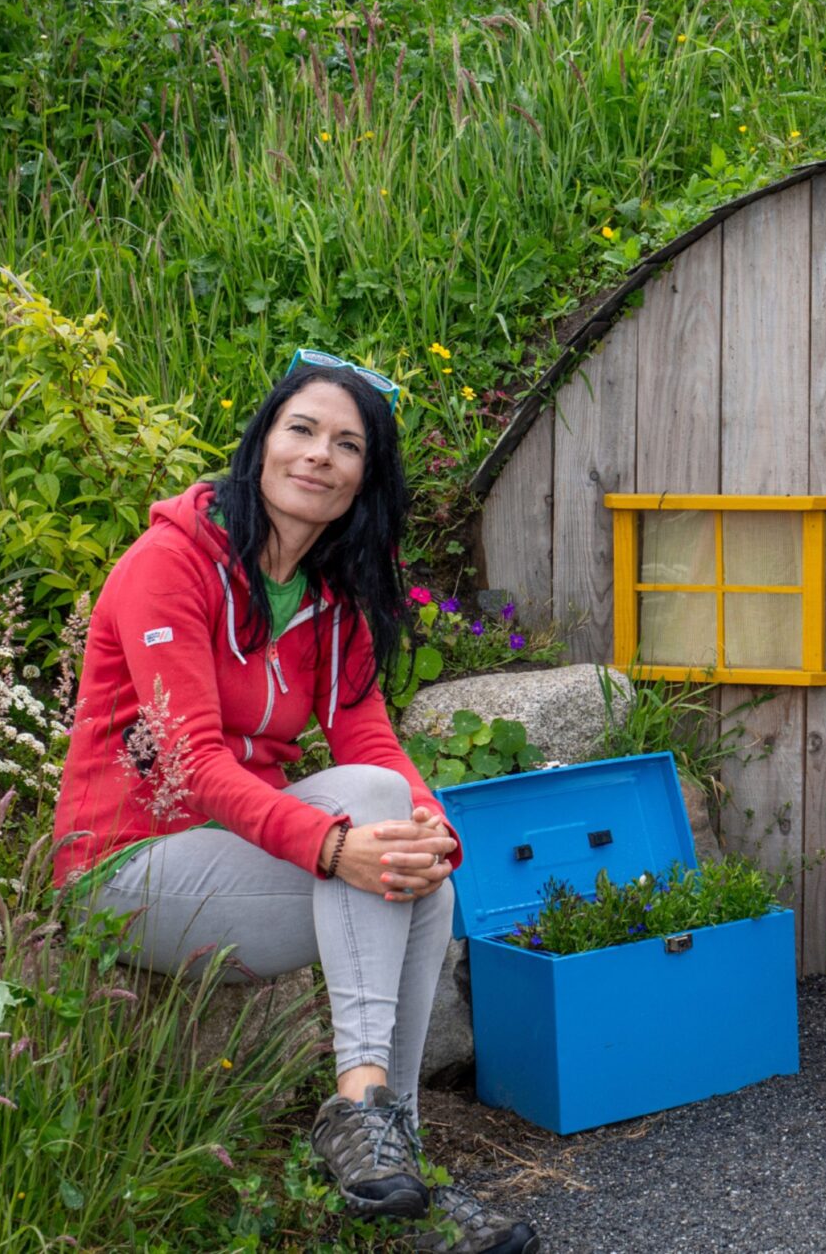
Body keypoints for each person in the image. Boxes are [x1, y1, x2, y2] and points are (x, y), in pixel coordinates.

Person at [51, 353, 539, 1254]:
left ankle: (390, 1168)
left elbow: (365, 732)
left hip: (238, 863)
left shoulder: (333, 588)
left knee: (413, 853)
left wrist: (435, 825)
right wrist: (328, 846)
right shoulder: (171, 563)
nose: (319, 456)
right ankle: (369, 1122)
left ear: (366, 478)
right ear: (262, 444)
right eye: (302, 431)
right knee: (370, 831)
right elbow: (191, 762)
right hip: (127, 870)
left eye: (347, 444)